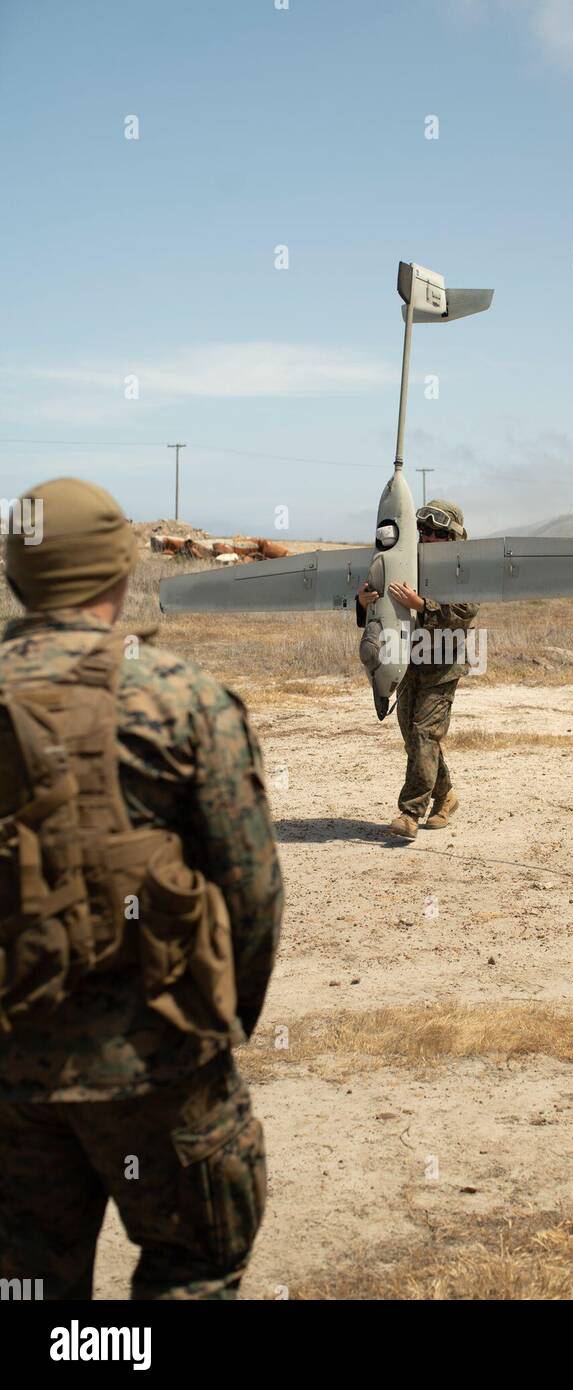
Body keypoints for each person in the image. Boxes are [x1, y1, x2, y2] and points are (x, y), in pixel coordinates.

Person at [0, 477, 284, 1300]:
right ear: (122, 575)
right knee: (195, 1269)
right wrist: (225, 1022)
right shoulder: (179, 698)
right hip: (157, 1062)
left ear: (19, 577)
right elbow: (252, 887)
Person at [357, 499, 479, 840]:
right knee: (416, 739)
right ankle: (446, 796)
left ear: (452, 538)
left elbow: (465, 611)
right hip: (409, 661)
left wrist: (421, 605)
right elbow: (381, 604)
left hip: (442, 666)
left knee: (425, 734)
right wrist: (363, 601)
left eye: (435, 533)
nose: (425, 537)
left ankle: (410, 813)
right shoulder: (406, 561)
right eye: (421, 530)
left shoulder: (464, 565)